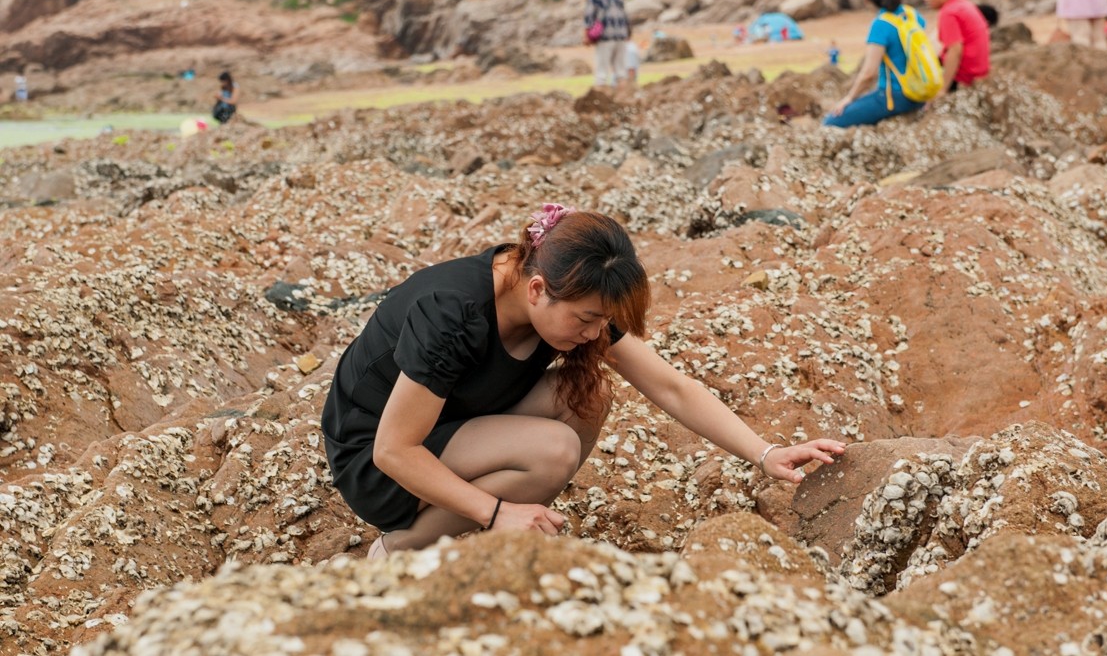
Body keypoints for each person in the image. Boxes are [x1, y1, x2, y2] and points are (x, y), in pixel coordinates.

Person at [321, 205, 846, 556]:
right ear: (536, 289)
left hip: (455, 425)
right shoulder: (452, 312)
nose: (597, 332)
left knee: (587, 393)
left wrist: (766, 452)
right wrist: (497, 511)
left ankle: (483, 526)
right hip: (377, 458)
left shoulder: (573, 290)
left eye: (602, 320)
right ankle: (400, 551)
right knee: (552, 450)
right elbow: (394, 450)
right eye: (587, 320)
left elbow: (670, 386)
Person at [823, 0, 929, 128]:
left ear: (867, 0)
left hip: (896, 96)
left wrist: (849, 98)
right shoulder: (911, 14)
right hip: (921, 91)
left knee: (831, 122)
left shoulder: (881, 24)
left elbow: (869, 74)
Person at [920, 0, 990, 95]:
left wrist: (943, 89)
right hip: (979, 72)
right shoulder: (963, 3)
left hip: (964, 77)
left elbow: (955, 50)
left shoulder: (949, 13)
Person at [583, 0, 630, 88]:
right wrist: (628, 32)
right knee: (620, 71)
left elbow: (589, 16)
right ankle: (624, 96)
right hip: (621, 35)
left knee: (602, 73)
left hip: (605, 36)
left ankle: (600, 99)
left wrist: (586, 36)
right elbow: (625, 15)